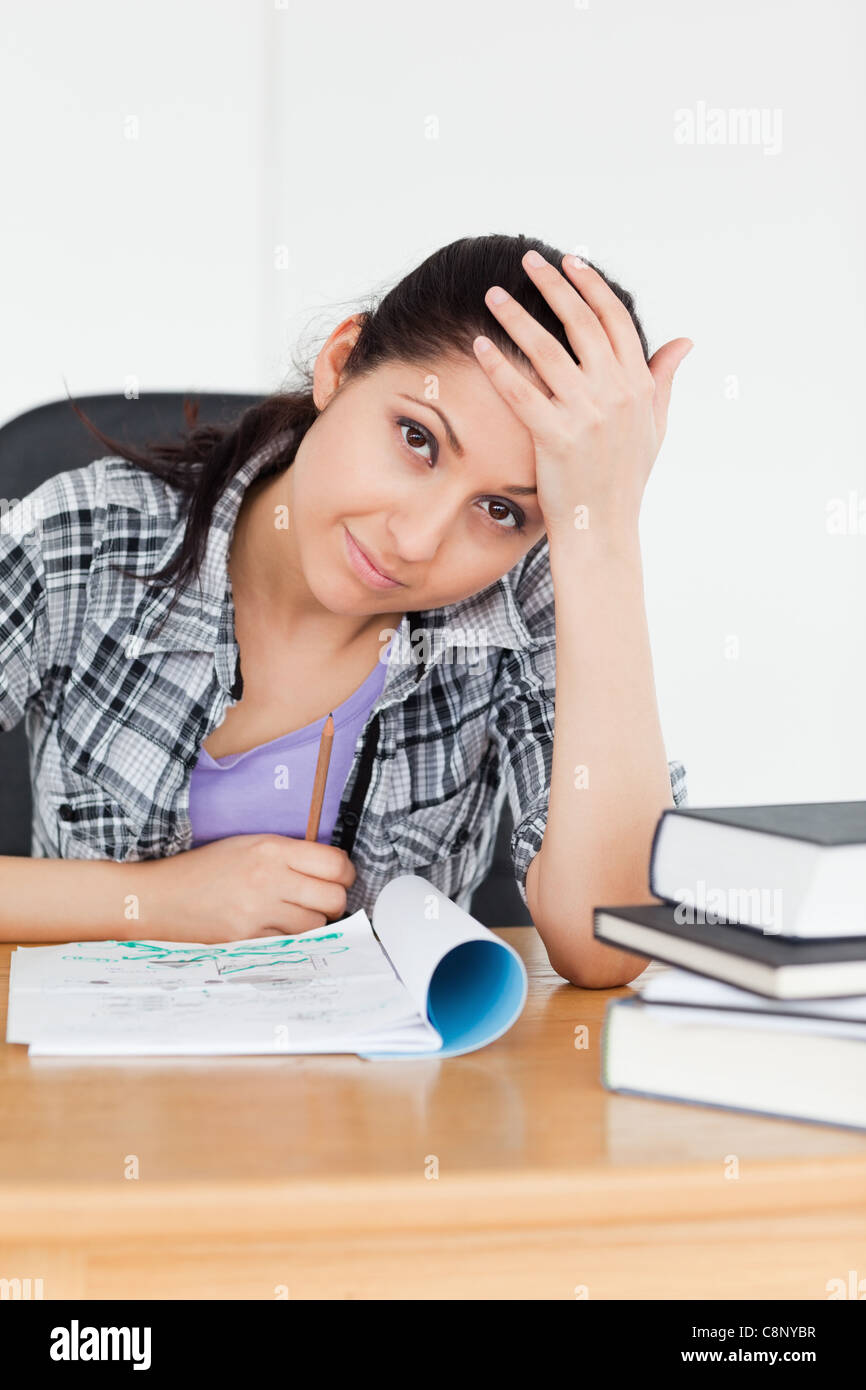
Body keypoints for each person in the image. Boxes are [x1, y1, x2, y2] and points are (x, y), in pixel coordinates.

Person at [0, 233, 691, 985]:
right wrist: (145, 900)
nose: (416, 541)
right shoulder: (82, 540)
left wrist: (605, 533)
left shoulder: (524, 598)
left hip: (387, 1094)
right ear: (339, 364)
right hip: (99, 1096)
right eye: (418, 440)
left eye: (499, 510)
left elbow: (607, 946)